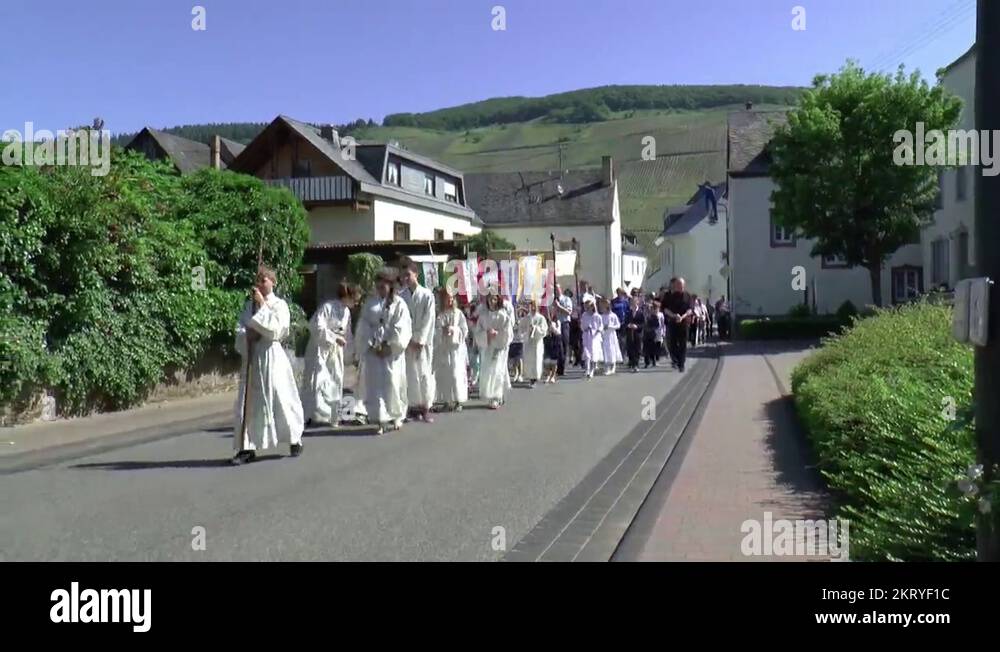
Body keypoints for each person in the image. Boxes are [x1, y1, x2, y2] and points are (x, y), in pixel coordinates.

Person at [231, 266, 305, 465]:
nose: (261, 283)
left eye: (264, 280)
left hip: (272, 356)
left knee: (281, 397)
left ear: (273, 282)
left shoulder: (279, 305)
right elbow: (241, 327)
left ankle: (294, 438)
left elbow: (277, 330)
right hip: (253, 357)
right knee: (249, 402)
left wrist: (262, 307)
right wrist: (247, 335)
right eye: (258, 280)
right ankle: (247, 447)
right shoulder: (249, 306)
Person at [356, 267, 412, 434]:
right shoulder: (370, 303)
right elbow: (363, 325)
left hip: (391, 354)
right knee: (376, 386)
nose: (380, 289)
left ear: (391, 286)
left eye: (383, 286)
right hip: (374, 352)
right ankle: (380, 419)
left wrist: (389, 346)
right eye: (378, 286)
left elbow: (402, 328)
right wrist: (371, 344)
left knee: (393, 384)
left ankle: (396, 415)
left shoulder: (399, 305)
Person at [300, 281, 357, 427]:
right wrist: (333, 337)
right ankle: (308, 415)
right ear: (347, 296)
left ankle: (334, 416)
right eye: (354, 299)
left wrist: (351, 354)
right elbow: (315, 326)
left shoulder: (347, 313)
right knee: (316, 381)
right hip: (319, 349)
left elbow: (348, 334)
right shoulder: (327, 307)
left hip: (335, 351)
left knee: (336, 379)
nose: (356, 303)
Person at [400, 261, 436, 423]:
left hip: (423, 342)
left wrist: (420, 339)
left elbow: (429, 319)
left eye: (408, 274)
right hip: (407, 341)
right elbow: (400, 320)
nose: (406, 278)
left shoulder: (427, 294)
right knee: (409, 374)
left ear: (416, 274)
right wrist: (406, 339)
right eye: (404, 275)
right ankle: (413, 408)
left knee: (424, 373)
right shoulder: (401, 296)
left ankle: (426, 407)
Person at [433, 287, 469, 412]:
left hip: (456, 350)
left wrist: (454, 330)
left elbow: (464, 330)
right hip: (444, 349)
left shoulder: (458, 314)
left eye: (452, 298)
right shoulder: (441, 315)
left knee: (455, 374)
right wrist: (442, 331)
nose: (450, 300)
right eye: (447, 298)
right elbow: (436, 331)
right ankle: (447, 400)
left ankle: (458, 400)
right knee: (445, 375)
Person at [475, 293, 513, 409]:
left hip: (499, 347)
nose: (492, 301)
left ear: (498, 300)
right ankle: (490, 395)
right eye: (490, 299)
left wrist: (498, 335)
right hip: (487, 347)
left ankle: (497, 396)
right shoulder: (483, 316)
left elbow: (508, 332)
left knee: (497, 371)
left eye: (495, 299)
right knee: (488, 371)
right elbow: (477, 332)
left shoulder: (503, 315)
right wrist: (486, 335)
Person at [662, 277, 694, 372]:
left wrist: (682, 316)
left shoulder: (687, 295)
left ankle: (681, 364)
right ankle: (675, 360)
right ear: (674, 285)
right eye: (678, 285)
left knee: (683, 344)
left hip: (683, 323)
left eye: (682, 285)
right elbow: (664, 308)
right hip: (672, 322)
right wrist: (674, 315)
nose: (680, 287)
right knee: (672, 343)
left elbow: (690, 309)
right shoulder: (668, 295)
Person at [520, 299, 548, 387]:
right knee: (529, 359)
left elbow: (544, 330)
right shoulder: (526, 318)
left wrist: (535, 329)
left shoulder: (540, 318)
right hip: (528, 342)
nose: (532, 308)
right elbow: (521, 330)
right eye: (530, 306)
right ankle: (530, 377)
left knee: (536, 359)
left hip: (537, 342)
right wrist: (527, 331)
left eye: (534, 306)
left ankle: (535, 378)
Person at [580, 297, 604, 379]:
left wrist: (597, 331)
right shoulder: (584, 315)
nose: (586, 308)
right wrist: (585, 328)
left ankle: (592, 370)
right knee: (587, 354)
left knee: (594, 353)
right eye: (585, 307)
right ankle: (587, 369)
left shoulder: (597, 316)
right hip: (587, 336)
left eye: (588, 307)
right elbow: (582, 325)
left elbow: (600, 326)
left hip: (595, 337)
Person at [598, 297, 623, 375]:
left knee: (612, 349)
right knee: (605, 350)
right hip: (604, 336)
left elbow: (618, 325)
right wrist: (601, 329)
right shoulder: (601, 316)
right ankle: (607, 366)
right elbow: (600, 325)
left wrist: (610, 327)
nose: (602, 307)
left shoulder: (613, 315)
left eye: (604, 306)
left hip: (611, 335)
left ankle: (613, 366)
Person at [554, 284, 573, 375]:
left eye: (557, 289)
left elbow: (569, 312)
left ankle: (563, 368)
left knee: (564, 346)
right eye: (554, 289)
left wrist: (559, 307)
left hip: (564, 324)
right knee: (557, 346)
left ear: (560, 289)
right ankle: (557, 368)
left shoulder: (566, 299)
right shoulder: (551, 300)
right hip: (555, 325)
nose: (556, 291)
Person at [542, 311, 563, 384]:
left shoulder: (557, 322)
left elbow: (558, 332)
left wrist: (553, 328)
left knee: (554, 361)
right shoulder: (544, 322)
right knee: (547, 361)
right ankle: (548, 375)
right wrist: (548, 330)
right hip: (547, 341)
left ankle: (553, 376)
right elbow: (544, 332)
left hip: (555, 342)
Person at [624, 295, 643, 372]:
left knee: (637, 348)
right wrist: (628, 325)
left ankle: (636, 364)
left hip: (638, 333)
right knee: (630, 348)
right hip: (630, 333)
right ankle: (632, 363)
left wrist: (637, 326)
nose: (633, 303)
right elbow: (625, 322)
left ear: (638, 302)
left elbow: (643, 323)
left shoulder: (640, 312)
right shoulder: (628, 313)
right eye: (631, 302)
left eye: (635, 302)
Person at [642, 296, 661, 369]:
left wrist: (651, 329)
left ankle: (653, 360)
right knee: (646, 348)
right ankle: (647, 362)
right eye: (646, 308)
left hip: (652, 334)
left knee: (652, 348)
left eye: (649, 308)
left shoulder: (654, 316)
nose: (647, 309)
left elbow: (657, 325)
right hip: (645, 334)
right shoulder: (643, 316)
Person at [508, 301, 525, 384]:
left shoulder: (523, 319)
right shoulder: (511, 319)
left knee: (519, 359)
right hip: (512, 340)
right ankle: (516, 373)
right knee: (514, 359)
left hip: (520, 340)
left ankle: (520, 375)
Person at [610, 288, 631, 354]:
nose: (620, 294)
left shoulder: (625, 301)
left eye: (621, 292)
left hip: (623, 322)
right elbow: (611, 311)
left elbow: (628, 311)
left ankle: (623, 354)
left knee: (623, 339)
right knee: (616, 338)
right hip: (616, 322)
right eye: (618, 292)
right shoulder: (613, 301)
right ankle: (616, 353)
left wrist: (627, 320)